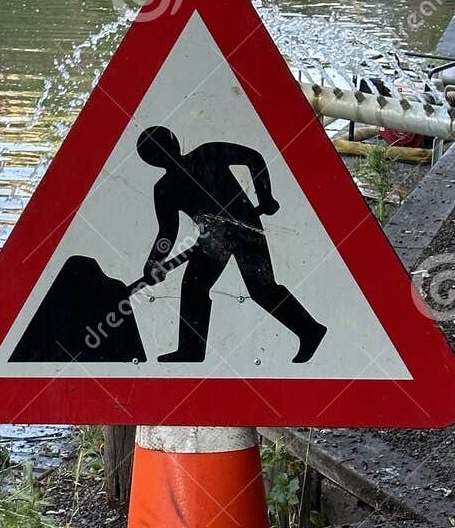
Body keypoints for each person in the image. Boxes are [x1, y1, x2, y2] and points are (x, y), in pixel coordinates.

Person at [136, 126, 327, 365]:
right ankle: (191, 350)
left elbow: (253, 158)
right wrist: (154, 262)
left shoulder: (207, 154)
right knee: (196, 287)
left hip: (244, 228)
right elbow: (167, 231)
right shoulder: (165, 188)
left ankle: (310, 331)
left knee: (260, 289)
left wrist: (265, 196)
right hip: (213, 240)